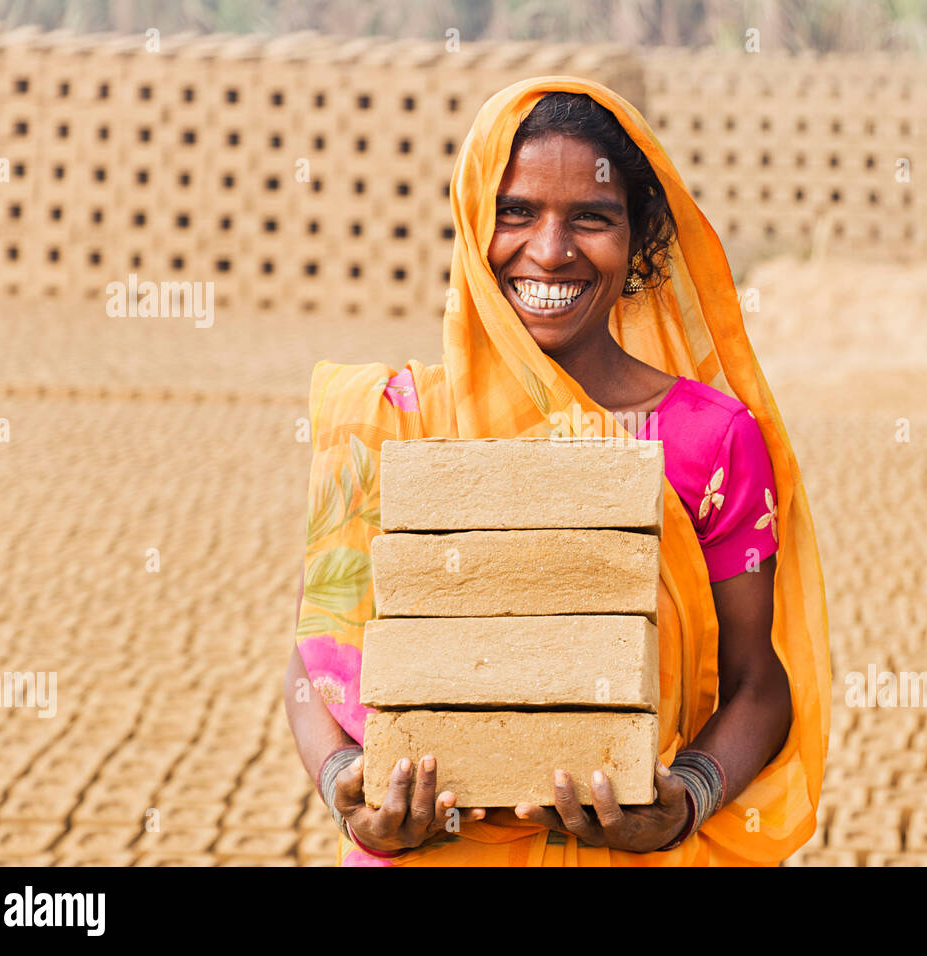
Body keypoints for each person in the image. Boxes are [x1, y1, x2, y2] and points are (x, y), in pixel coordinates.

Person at [283, 75, 831, 866]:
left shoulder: (709, 443)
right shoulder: (393, 418)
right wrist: (346, 784)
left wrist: (686, 799)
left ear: (638, 238)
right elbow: (313, 654)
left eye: (593, 219)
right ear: (474, 224)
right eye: (516, 212)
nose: (549, 250)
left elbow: (757, 679)